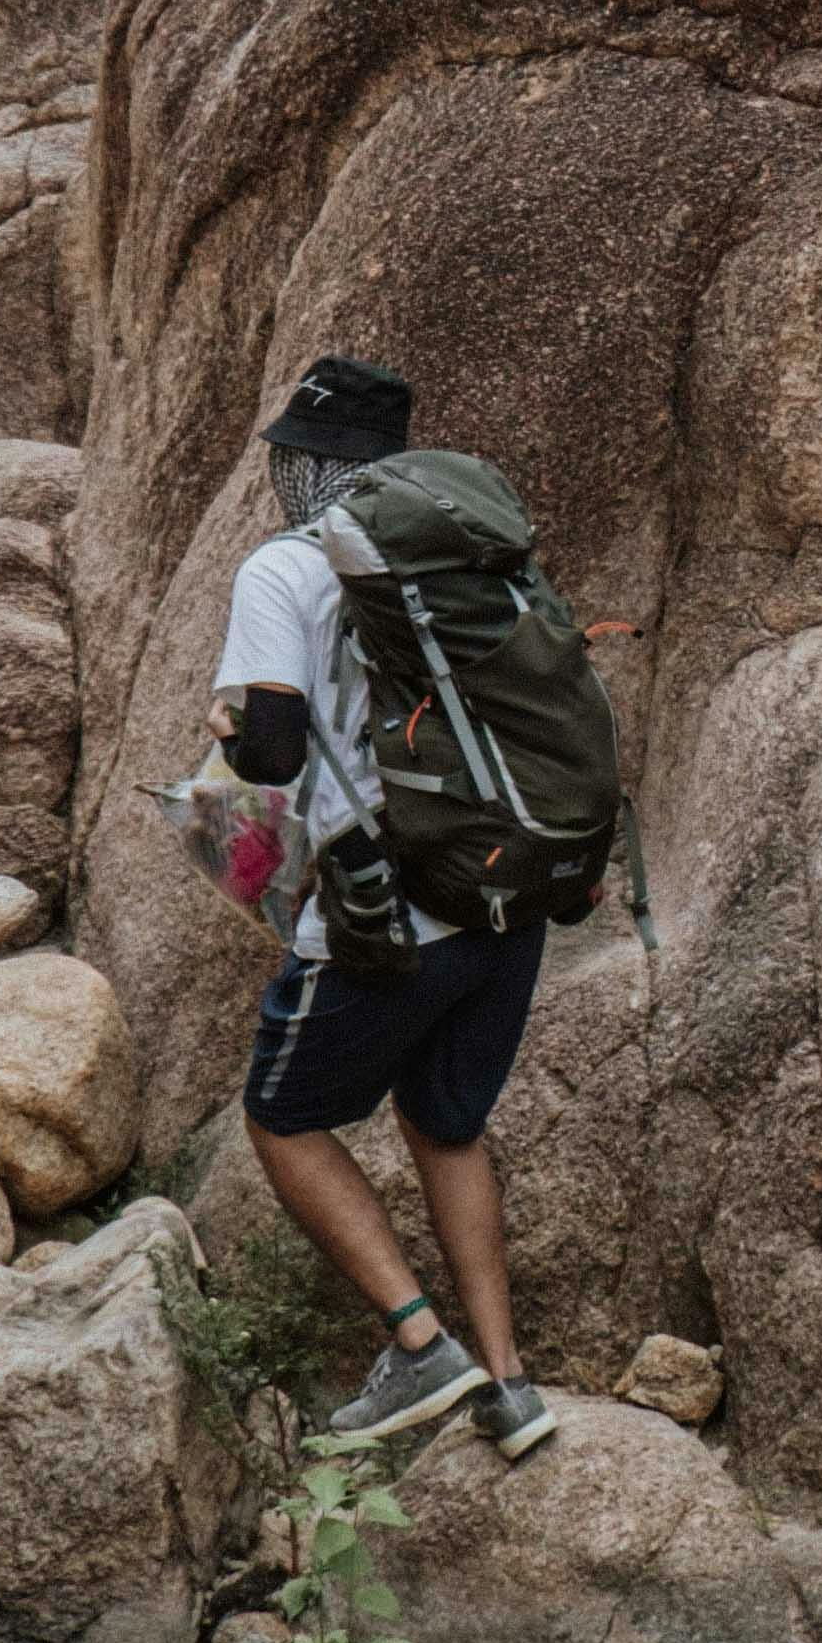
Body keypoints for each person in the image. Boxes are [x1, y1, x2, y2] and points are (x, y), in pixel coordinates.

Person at [211, 350, 559, 1466]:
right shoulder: (469, 546)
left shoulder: (287, 568)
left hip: (383, 906)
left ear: (307, 467)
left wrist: (229, 728)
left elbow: (268, 750)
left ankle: (418, 1345)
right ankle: (508, 1383)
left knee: (283, 1116)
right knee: (444, 1119)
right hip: (506, 889)